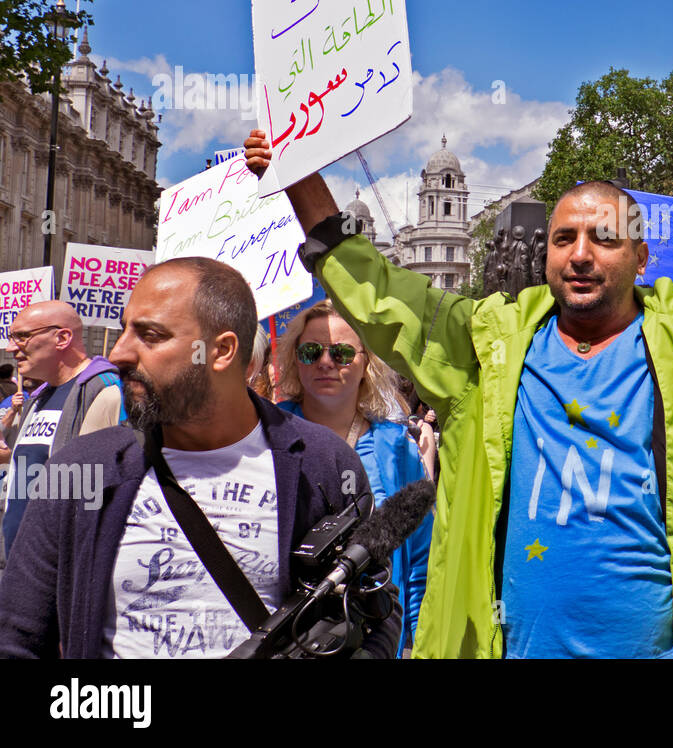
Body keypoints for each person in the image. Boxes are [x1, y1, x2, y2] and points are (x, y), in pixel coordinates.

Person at [244, 128, 673, 658]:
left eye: (604, 237)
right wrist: (302, 181)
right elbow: (386, 300)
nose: (581, 253)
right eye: (564, 237)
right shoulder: (488, 344)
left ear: (641, 257)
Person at [0, 257, 399, 658]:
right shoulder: (79, 468)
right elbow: (18, 636)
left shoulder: (323, 463)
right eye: (124, 330)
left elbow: (376, 609)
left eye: (151, 335)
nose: (120, 353)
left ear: (221, 350)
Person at [275, 299, 432, 656]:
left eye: (342, 353)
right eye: (311, 351)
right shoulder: (267, 434)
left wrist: (417, 640)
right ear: (295, 360)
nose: (326, 363)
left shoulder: (396, 450)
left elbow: (421, 556)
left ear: (366, 363)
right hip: (286, 635)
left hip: (374, 637)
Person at [2, 301, 126, 558]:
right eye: (12, 338)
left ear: (62, 337)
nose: (11, 347)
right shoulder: (38, 397)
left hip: (61, 567)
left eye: (22, 336)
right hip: (20, 561)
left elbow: (103, 487)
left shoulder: (107, 390)